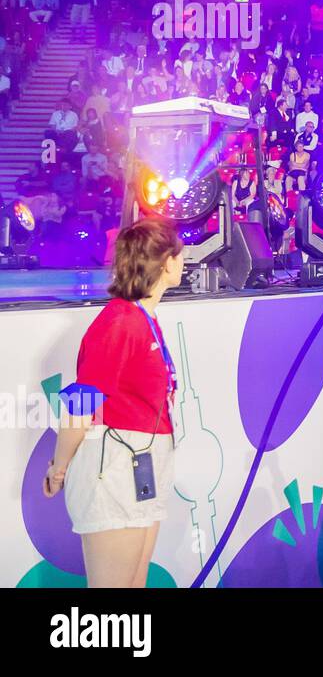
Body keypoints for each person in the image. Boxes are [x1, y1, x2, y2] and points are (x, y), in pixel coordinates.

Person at [43, 219, 184, 587]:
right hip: (115, 471)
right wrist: (60, 468)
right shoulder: (120, 322)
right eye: (180, 256)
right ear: (167, 262)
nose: (185, 263)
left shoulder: (143, 318)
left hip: (143, 468)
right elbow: (80, 404)